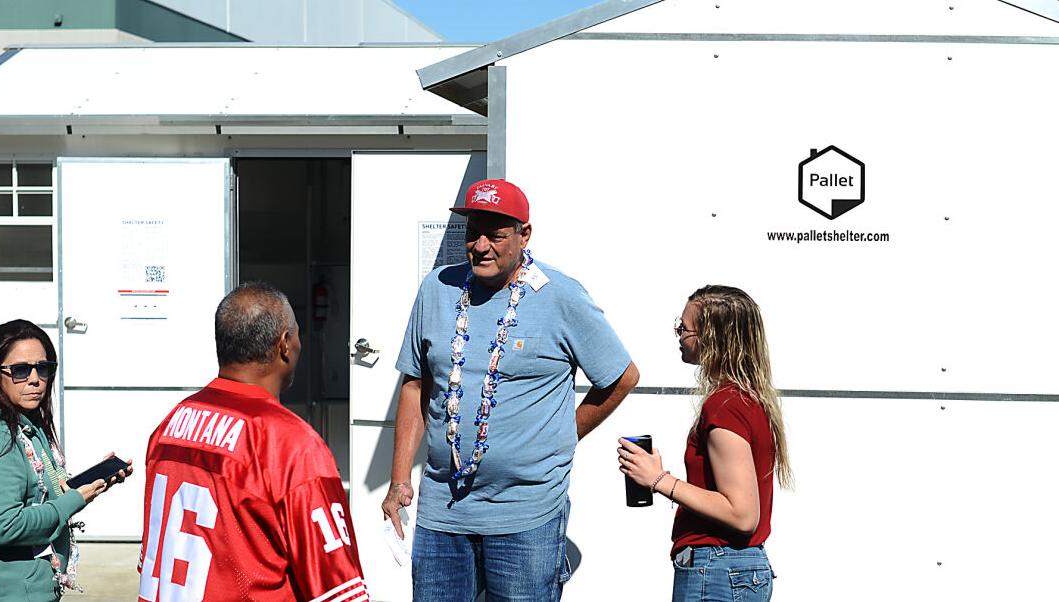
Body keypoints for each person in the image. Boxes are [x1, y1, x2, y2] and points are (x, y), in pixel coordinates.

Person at [382, 179, 640, 601]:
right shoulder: (438, 289)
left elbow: (621, 376)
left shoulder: (560, 295)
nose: (480, 246)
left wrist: (563, 434)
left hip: (526, 516)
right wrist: (398, 479)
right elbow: (415, 383)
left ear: (525, 235)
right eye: (472, 234)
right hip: (442, 517)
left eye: (496, 235)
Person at [138, 282, 366, 602]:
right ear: (285, 344)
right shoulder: (290, 443)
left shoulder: (170, 425)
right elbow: (337, 588)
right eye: (297, 334)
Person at [0, 319, 131, 601]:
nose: (35, 379)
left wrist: (89, 485)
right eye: (21, 370)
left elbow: (40, 497)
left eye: (43, 368)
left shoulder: (26, 425)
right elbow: (6, 525)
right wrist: (73, 500)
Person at [618, 285, 792, 602]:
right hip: (732, 570)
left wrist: (658, 480)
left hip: (717, 569)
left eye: (683, 328)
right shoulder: (747, 401)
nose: (678, 334)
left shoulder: (725, 406)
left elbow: (742, 514)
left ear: (711, 337)